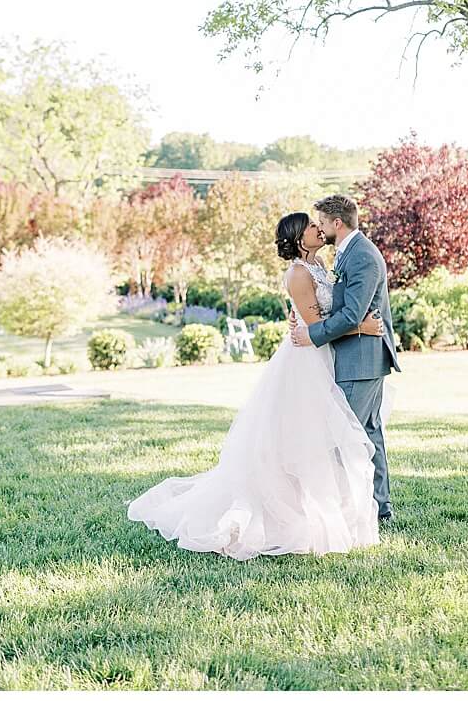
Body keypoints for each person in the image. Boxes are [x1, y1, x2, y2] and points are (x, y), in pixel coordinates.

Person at [127, 211, 388, 559]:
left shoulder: (321, 265)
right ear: (299, 239)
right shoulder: (297, 273)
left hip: (327, 360)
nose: (318, 229)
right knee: (308, 439)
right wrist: (361, 328)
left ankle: (332, 503)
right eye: (311, 226)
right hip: (306, 362)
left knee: (322, 437)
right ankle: (294, 511)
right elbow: (314, 328)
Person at [289, 194, 401, 523]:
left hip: (361, 357)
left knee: (345, 436)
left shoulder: (361, 256)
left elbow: (352, 314)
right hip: (357, 355)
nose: (320, 230)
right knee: (367, 433)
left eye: (321, 223)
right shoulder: (346, 253)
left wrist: (312, 335)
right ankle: (378, 508)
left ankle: (352, 512)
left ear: (337, 223)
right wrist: (300, 316)